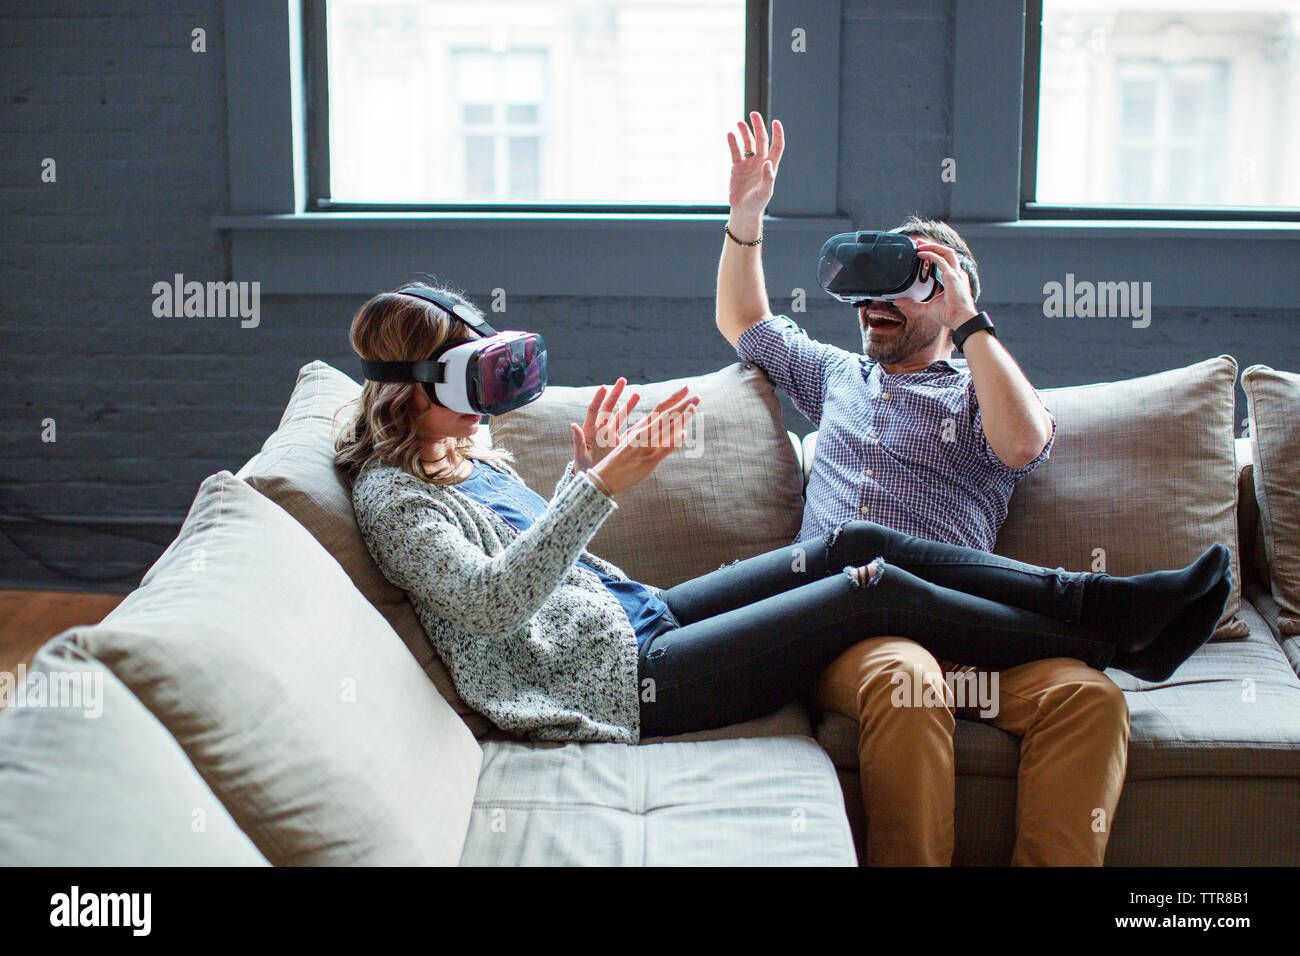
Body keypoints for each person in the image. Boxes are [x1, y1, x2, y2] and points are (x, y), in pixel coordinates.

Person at [336, 274, 1230, 780]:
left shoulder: (461, 455)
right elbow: (494, 606)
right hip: (621, 685)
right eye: (472, 385)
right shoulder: (392, 500)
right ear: (410, 388)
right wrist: (598, 486)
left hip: (635, 619)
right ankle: (1118, 637)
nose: (489, 406)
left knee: (856, 544)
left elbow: (540, 567)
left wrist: (579, 477)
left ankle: (1106, 605)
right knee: (865, 593)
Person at [714, 112, 1233, 866]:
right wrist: (746, 214)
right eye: (866, 288)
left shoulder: (980, 392)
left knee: (1090, 699)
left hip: (975, 636)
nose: (873, 304)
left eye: (906, 284)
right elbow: (745, 321)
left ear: (951, 296)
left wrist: (968, 321)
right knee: (906, 678)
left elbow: (1022, 441)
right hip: (856, 628)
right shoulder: (835, 376)